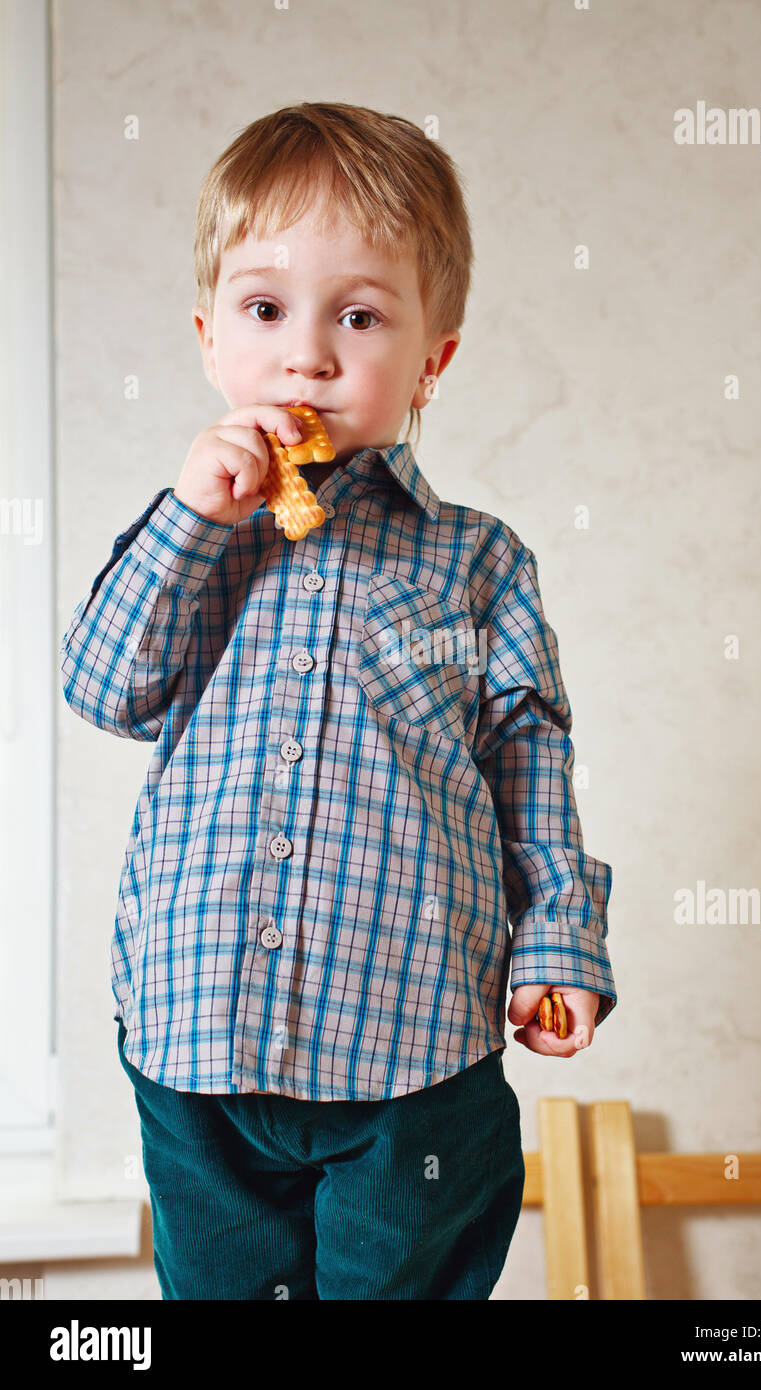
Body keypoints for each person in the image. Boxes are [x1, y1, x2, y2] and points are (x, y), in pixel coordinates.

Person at [60, 102, 617, 1300]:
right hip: (195, 1036)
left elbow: (531, 763)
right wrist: (193, 518)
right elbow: (102, 686)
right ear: (212, 337)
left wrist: (558, 938)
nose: (306, 354)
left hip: (414, 1044)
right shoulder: (188, 535)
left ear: (432, 359)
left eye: (356, 315)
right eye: (266, 310)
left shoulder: (478, 561)